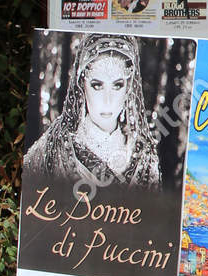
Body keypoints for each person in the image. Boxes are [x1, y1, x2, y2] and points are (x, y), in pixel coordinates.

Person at [22, 32, 160, 188]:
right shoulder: (55, 146)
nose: (107, 101)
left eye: (117, 85)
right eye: (97, 85)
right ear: (82, 85)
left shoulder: (144, 157)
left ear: (128, 88)